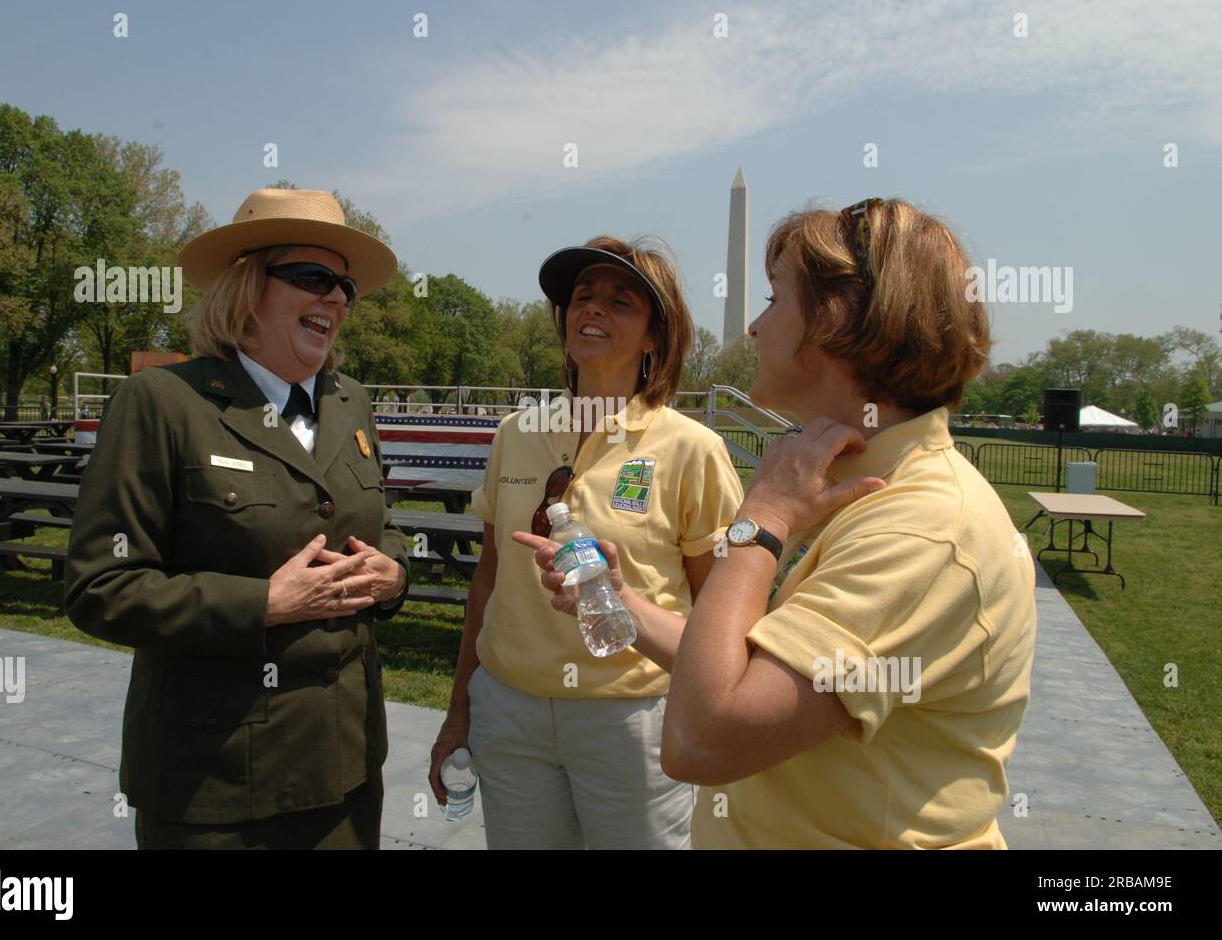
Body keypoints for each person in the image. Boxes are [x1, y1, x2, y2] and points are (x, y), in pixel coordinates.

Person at [532, 199, 1037, 848]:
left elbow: (699, 740)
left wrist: (760, 520)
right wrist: (621, 600)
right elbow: (739, 668)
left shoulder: (924, 528)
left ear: (834, 318)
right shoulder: (852, 481)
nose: (753, 327)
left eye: (773, 300)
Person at [64, 188, 410, 849]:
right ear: (248, 286)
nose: (337, 298)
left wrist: (392, 572)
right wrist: (264, 602)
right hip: (214, 785)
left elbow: (380, 525)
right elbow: (98, 587)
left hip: (345, 767)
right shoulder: (162, 402)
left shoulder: (351, 403)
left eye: (345, 286)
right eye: (313, 277)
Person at [428, 236, 743, 849]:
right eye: (583, 297)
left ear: (655, 335)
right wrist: (460, 711)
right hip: (510, 712)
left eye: (620, 301)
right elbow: (488, 581)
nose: (593, 310)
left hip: (629, 722)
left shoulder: (691, 448)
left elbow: (721, 616)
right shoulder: (517, 433)